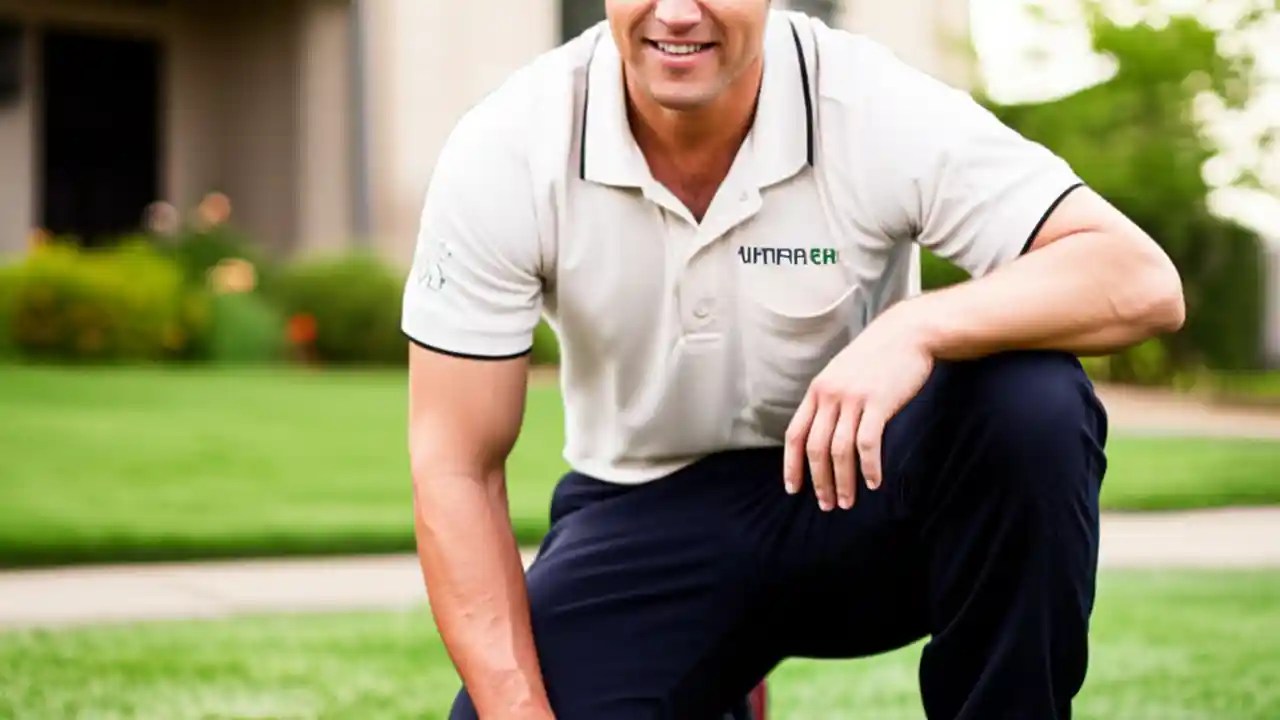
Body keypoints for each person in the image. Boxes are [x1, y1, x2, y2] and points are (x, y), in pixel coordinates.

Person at [401, 2, 1185, 718]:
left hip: (867, 497)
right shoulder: (507, 144)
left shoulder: (871, 103)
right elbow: (456, 468)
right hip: (641, 514)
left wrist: (915, 328)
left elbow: (1137, 279)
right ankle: (724, 682)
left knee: (1032, 400)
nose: (676, 13)